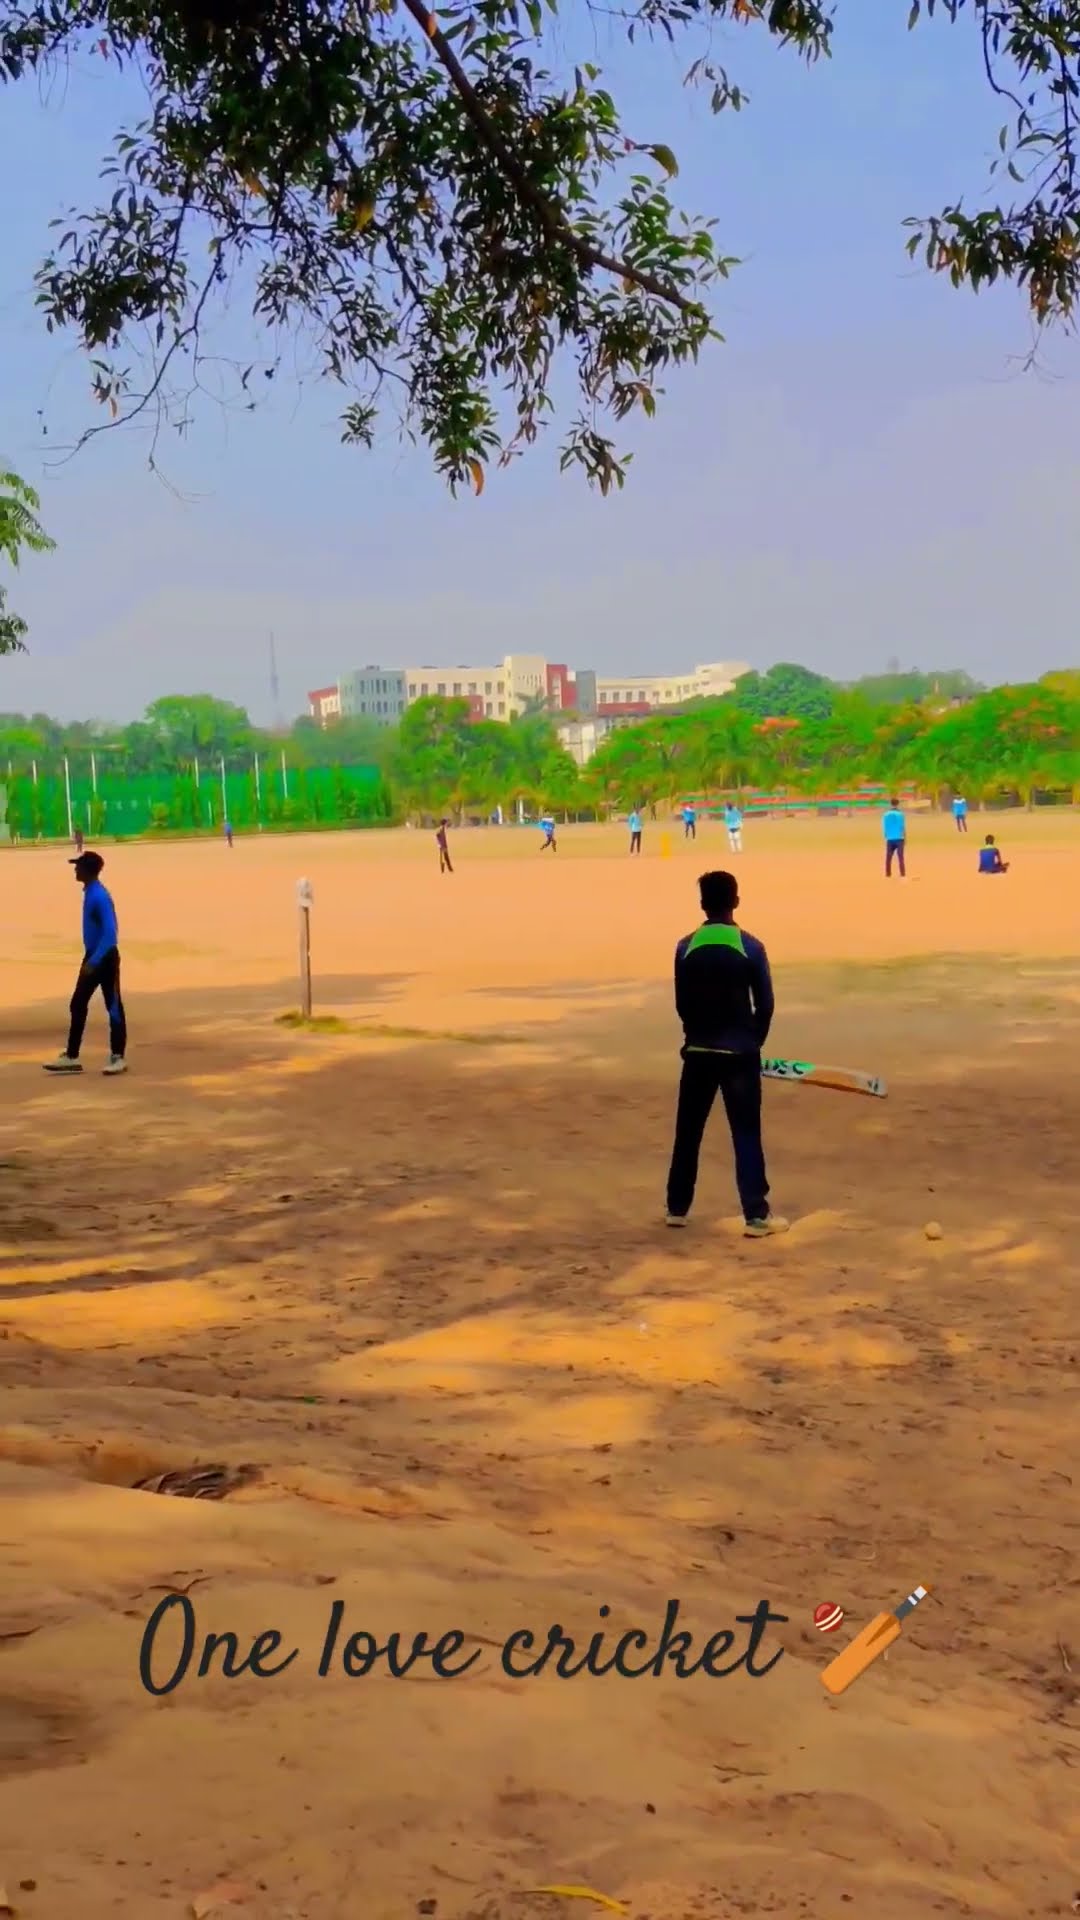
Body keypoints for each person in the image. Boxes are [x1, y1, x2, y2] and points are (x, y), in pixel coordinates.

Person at [665, 871, 787, 1238]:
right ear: (736, 900)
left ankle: (677, 1207)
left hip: (698, 1052)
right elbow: (765, 1005)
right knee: (746, 1132)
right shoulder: (750, 946)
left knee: (688, 1131)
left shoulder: (685, 947)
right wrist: (754, 1043)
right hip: (739, 1054)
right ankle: (755, 1215)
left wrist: (695, 1034)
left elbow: (682, 1004)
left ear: (702, 903)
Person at [43, 850, 127, 1076]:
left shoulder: (99, 896)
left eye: (78, 866)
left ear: (88, 871)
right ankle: (72, 1056)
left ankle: (117, 1057)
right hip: (94, 955)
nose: (75, 869)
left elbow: (111, 933)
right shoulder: (91, 892)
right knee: (78, 1003)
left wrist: (95, 961)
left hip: (104, 958)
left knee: (113, 1006)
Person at [882, 795, 906, 878]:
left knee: (888, 857)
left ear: (890, 804)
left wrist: (886, 835)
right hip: (899, 838)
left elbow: (884, 826)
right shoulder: (900, 814)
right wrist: (905, 838)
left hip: (890, 838)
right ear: (898, 804)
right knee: (900, 857)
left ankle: (888, 874)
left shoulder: (885, 814)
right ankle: (902, 874)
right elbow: (902, 827)